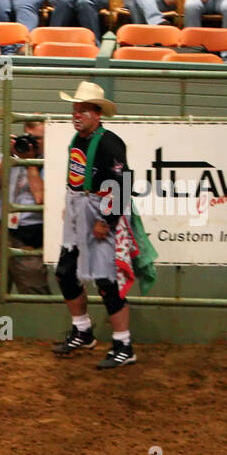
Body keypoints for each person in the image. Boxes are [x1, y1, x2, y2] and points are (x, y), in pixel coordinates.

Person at [52, 82, 154, 370]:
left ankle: (124, 344)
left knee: (108, 281)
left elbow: (123, 183)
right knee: (65, 273)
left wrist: (106, 219)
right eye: (75, 109)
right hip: (80, 209)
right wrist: (72, 205)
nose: (77, 114)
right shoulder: (79, 140)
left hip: (99, 212)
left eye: (83, 109)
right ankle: (82, 330)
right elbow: (79, 175)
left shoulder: (109, 142)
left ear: (97, 113)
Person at [0, 121, 49, 296]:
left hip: (28, 241)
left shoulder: (51, 160)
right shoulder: (11, 154)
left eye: (37, 139)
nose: (30, 143)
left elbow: (41, 198)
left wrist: (30, 163)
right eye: (28, 137)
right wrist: (7, 155)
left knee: (34, 293)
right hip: (0, 234)